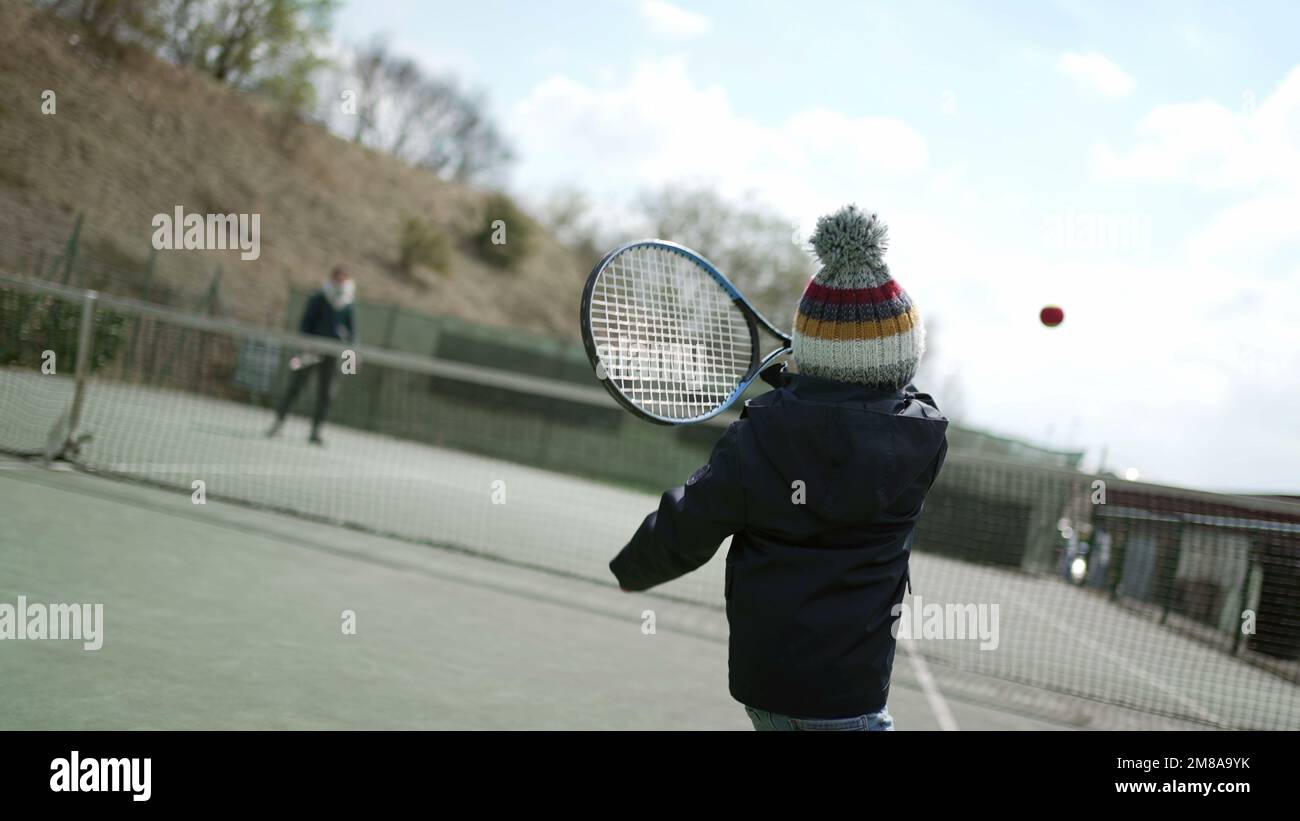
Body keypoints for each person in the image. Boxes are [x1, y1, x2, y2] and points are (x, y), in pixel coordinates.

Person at [609, 205, 949, 731]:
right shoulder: (924, 441)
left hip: (764, 688)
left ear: (807, 352)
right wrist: (815, 382)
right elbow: (904, 403)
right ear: (905, 363)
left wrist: (634, 570)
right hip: (850, 696)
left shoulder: (757, 437)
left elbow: (689, 523)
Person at [268, 266, 357, 445]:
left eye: (344, 278)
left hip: (332, 354)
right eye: (338, 277)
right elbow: (306, 323)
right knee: (296, 386)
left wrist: (352, 352)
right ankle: (278, 423)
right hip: (311, 351)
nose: (341, 281)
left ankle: (316, 431)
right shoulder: (319, 298)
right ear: (332, 278)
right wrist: (305, 345)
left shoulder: (348, 304)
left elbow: (352, 331)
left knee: (326, 394)